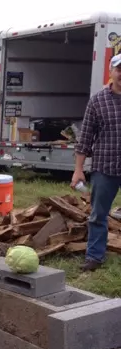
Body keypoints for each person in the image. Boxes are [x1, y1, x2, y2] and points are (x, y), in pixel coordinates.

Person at [71, 53, 121, 272]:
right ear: (111, 71)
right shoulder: (97, 101)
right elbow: (85, 138)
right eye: (119, 69)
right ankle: (94, 256)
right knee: (98, 214)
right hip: (105, 167)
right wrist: (78, 170)